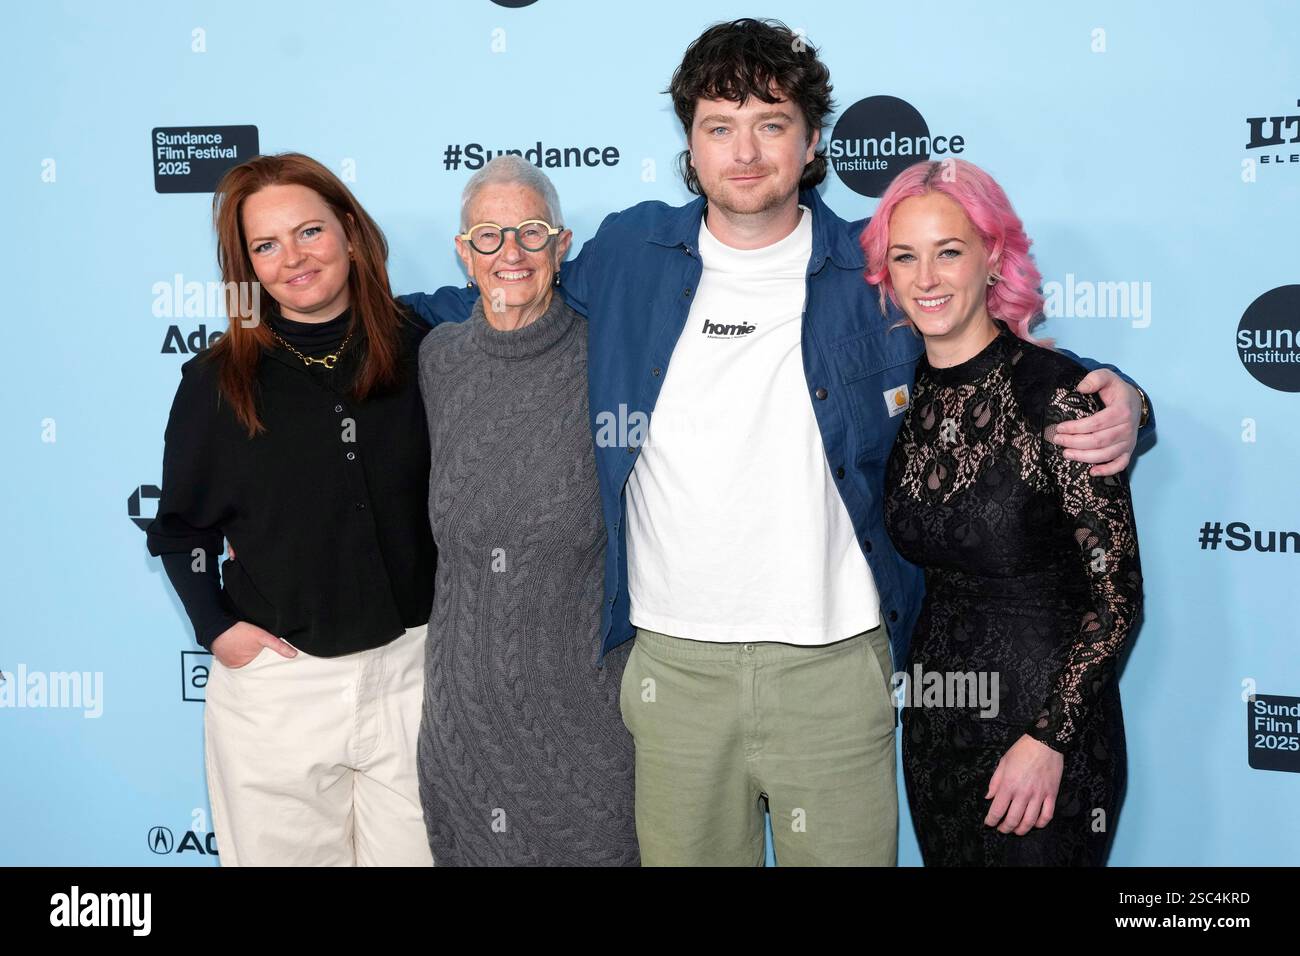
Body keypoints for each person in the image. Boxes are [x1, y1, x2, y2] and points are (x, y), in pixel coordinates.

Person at [404, 17, 1153, 866]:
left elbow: (994, 353)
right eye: (719, 127)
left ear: (811, 140)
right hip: (671, 669)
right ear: (690, 144)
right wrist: (356, 322)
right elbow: (508, 289)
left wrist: (1125, 397)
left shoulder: (871, 269)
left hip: (835, 671)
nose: (746, 151)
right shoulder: (630, 253)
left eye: (772, 123)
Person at [146, 152, 435, 867]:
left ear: (349, 229)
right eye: (265, 245)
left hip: (415, 676)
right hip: (281, 689)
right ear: (246, 267)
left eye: (309, 232)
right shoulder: (218, 382)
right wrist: (216, 627)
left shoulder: (423, 350)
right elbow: (181, 527)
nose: (293, 258)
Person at [866, 158, 1144, 865]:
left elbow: (1117, 600)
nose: (926, 278)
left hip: (1044, 735)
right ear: (886, 273)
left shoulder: (1059, 395)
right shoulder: (905, 399)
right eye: (906, 256)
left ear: (993, 258)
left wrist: (1049, 740)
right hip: (936, 731)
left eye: (949, 251)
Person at [413, 156, 638, 865]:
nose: (510, 253)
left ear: (562, 243)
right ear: (463, 252)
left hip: (594, 723)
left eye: (531, 233)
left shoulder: (613, 361)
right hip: (463, 727)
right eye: (489, 236)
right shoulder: (435, 362)